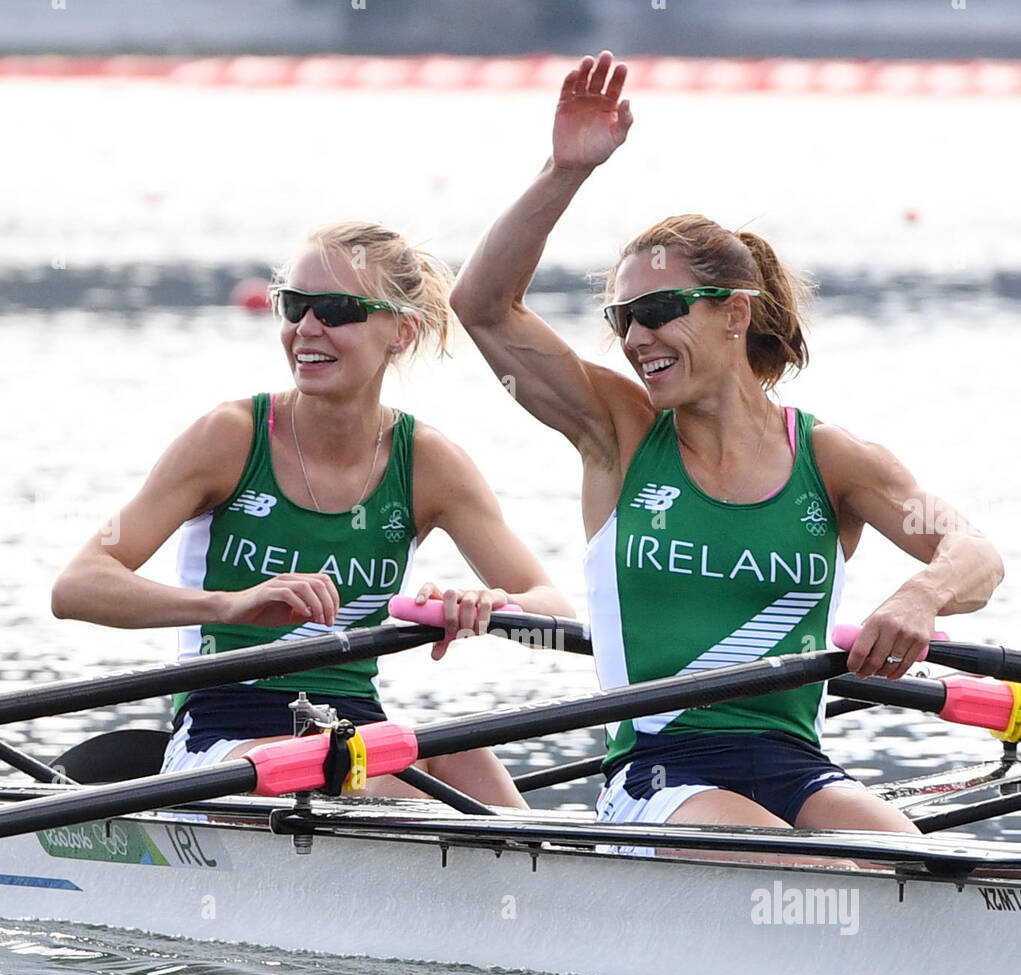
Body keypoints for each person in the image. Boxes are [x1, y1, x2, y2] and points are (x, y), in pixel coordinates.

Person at [450, 52, 1002, 836]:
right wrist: (562, 171)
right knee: (803, 865)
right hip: (655, 770)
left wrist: (920, 595)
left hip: (795, 764)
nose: (637, 337)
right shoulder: (618, 432)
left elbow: (973, 553)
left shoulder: (830, 458)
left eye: (660, 309)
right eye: (622, 319)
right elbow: (480, 306)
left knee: (909, 861)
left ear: (734, 314)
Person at [52, 220, 574, 806]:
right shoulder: (229, 437)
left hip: (353, 735)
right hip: (224, 740)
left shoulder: (429, 463)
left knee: (462, 749)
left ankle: (544, 877)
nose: (305, 327)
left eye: (335, 309)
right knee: (364, 769)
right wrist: (230, 606)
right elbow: (76, 586)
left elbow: (552, 608)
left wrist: (492, 604)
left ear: (400, 329)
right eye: (294, 305)